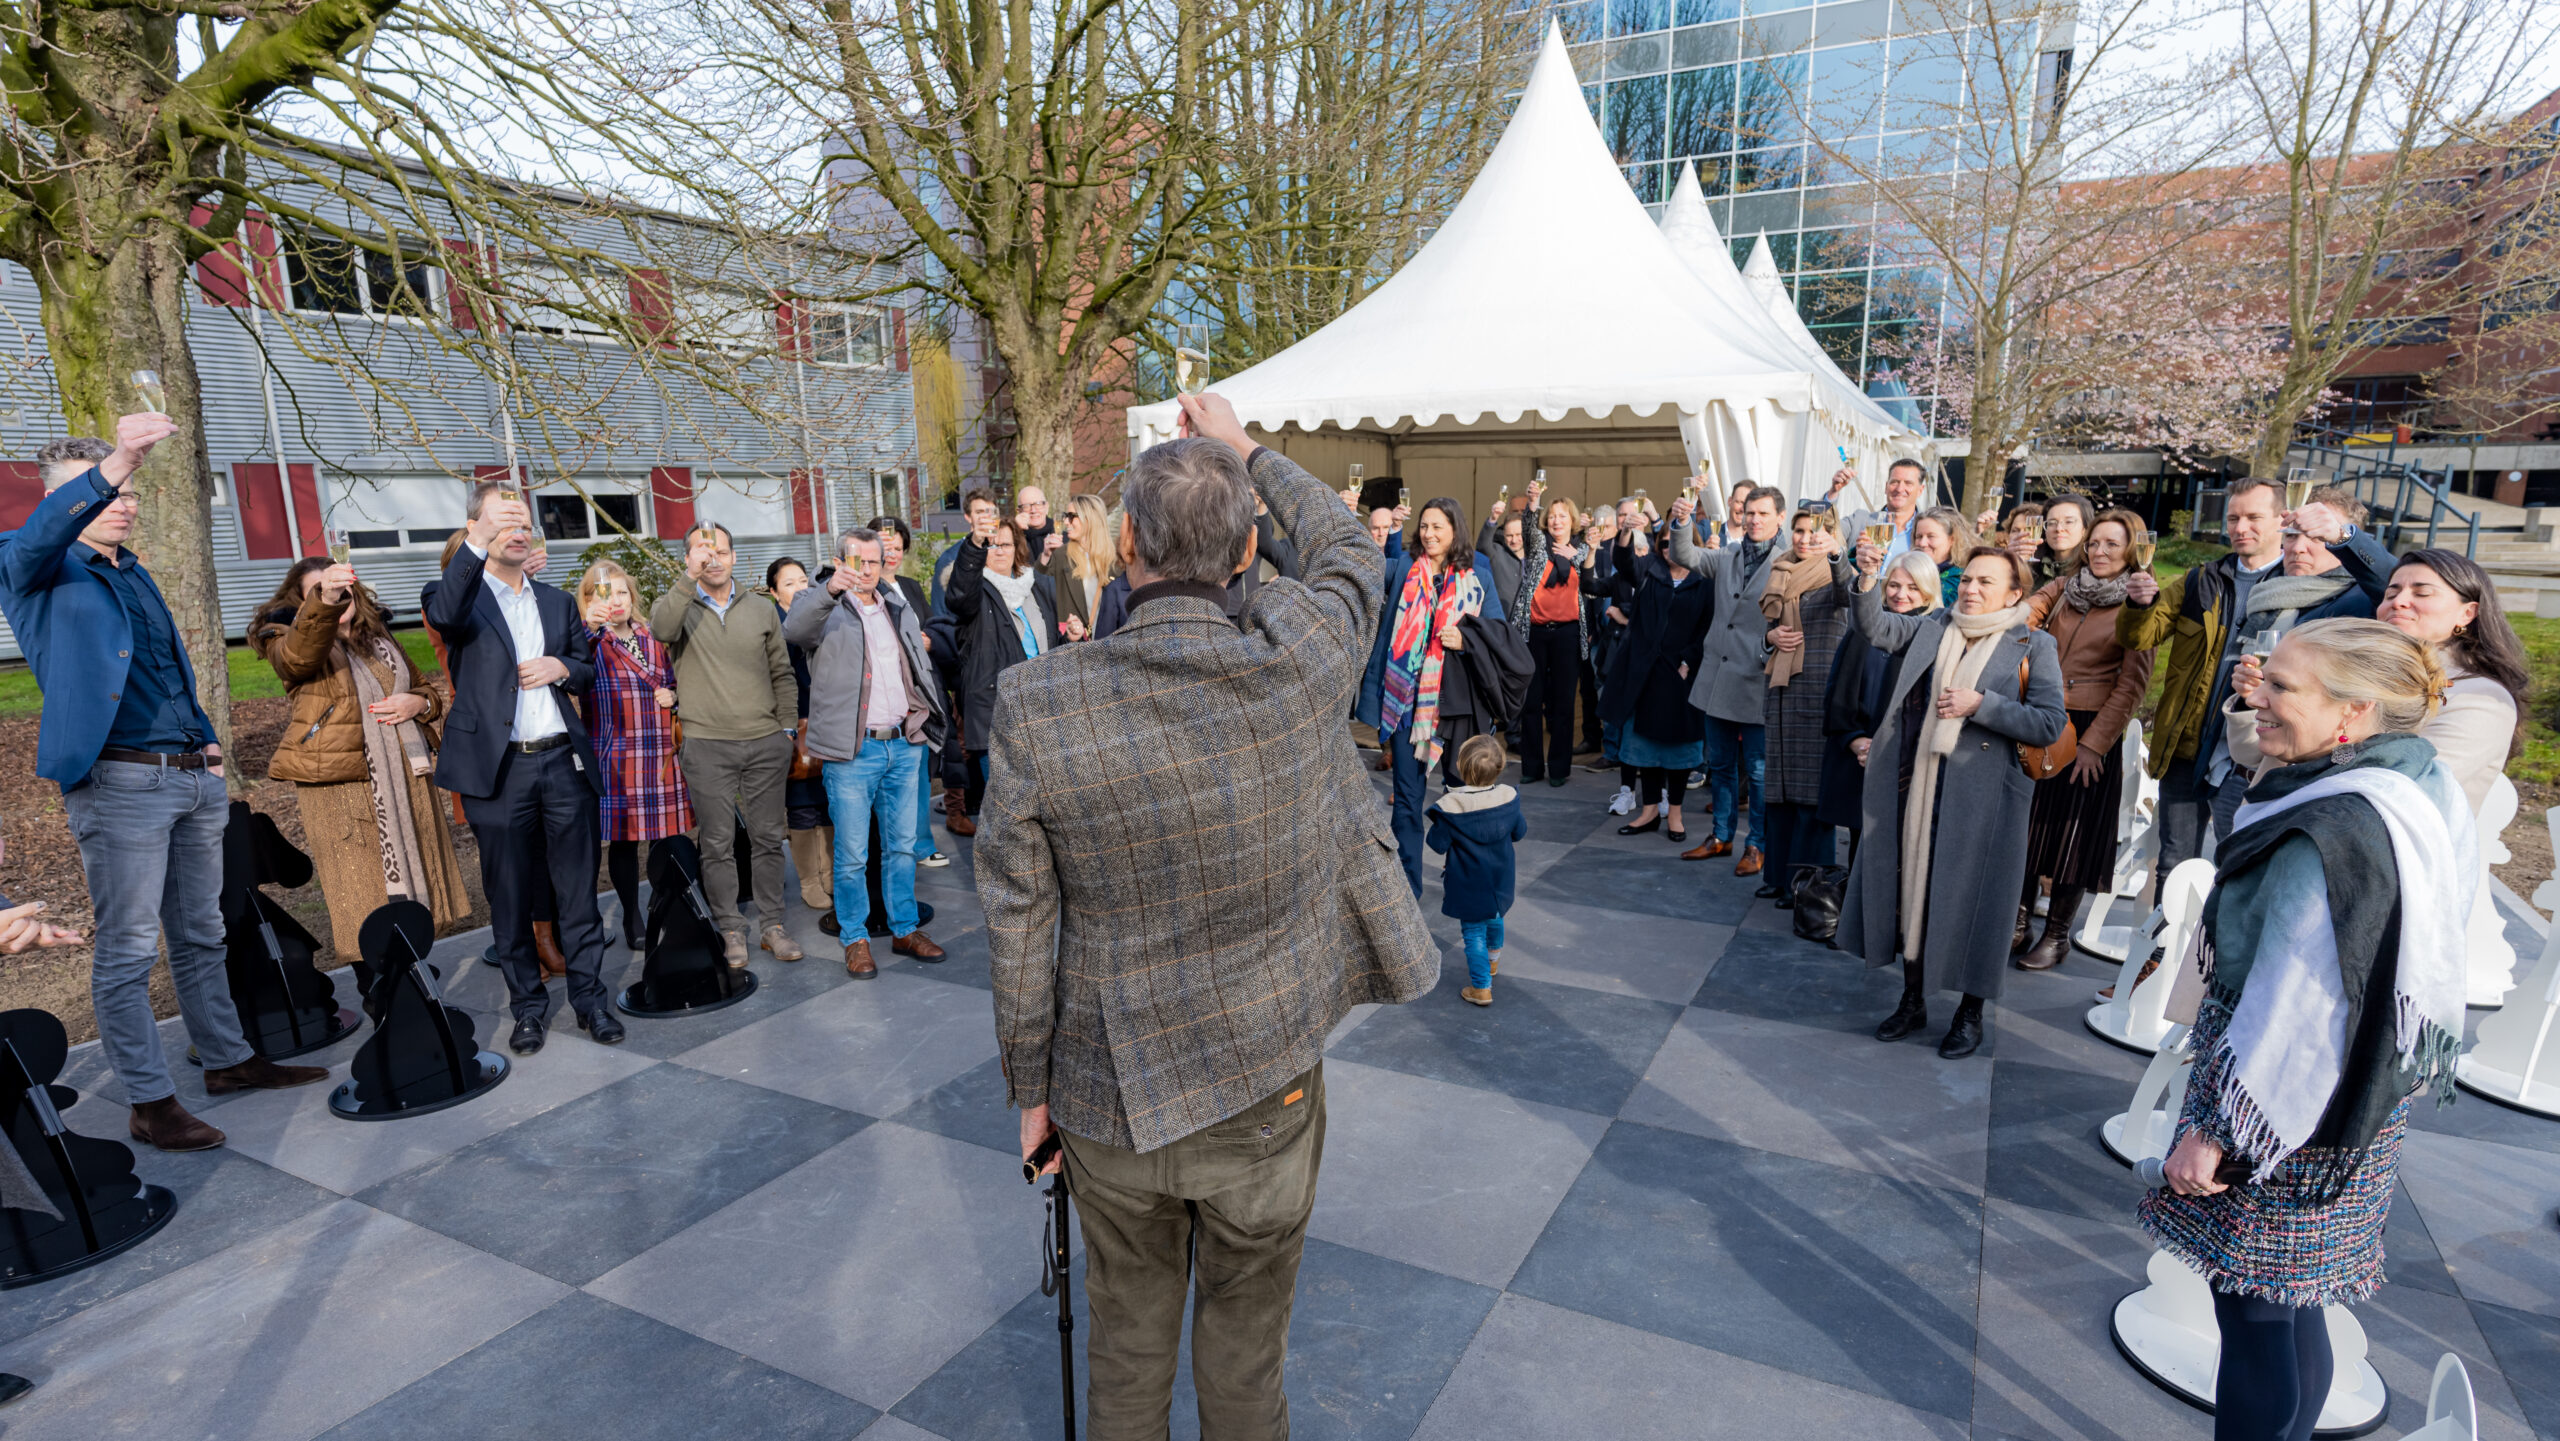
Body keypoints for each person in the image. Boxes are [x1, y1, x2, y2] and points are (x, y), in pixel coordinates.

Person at [991, 392, 1435, 1440]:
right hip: (1264, 1076)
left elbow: (1020, 928)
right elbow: (1344, 544)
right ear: (1245, 555)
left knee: (1127, 1355)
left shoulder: (1038, 702)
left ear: (1125, 545)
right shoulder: (1300, 653)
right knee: (1246, 1362)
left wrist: (1029, 1094)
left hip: (1109, 1089)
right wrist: (1246, 450)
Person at [2141, 619, 2470, 1441]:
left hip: (2276, 1101)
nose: (2257, 694)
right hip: (2359, 1097)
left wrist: (2217, 1135)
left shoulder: (2325, 833)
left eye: (2284, 686)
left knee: (2252, 1317)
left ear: (2354, 712)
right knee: (2294, 1299)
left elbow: (2293, 1007)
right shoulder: (2416, 776)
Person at [0, 423, 328, 1150]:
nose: (122, 501)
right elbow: (39, 536)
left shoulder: (135, 571)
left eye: (128, 492)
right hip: (118, 781)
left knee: (203, 930)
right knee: (125, 948)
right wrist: (118, 459)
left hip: (189, 777)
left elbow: (170, 667)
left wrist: (208, 743)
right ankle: (150, 1101)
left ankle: (228, 1059)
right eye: (106, 490)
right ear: (62, 502)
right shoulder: (34, 567)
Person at [1842, 542, 2067, 1059]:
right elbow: (1875, 627)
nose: (1970, 589)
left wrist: (1982, 705)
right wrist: (1863, 579)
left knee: (1979, 903)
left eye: (1985, 582)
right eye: (1966, 579)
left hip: (1987, 800)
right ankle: (1913, 997)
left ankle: (1970, 1012)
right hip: (1915, 788)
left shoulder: (2034, 645)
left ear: (2015, 593)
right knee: (1914, 890)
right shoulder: (1933, 625)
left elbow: (2050, 723)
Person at [426, 481, 623, 1053]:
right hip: (499, 771)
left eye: (523, 522)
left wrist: (562, 664)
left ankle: (591, 1002)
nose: (518, 530)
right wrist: (477, 541)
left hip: (563, 763)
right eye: (502, 521)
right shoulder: (458, 599)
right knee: (509, 897)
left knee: (578, 893)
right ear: (476, 528)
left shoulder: (558, 602)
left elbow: (588, 671)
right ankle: (528, 1009)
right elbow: (443, 613)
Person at [252, 556, 470, 958]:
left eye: (340, 585)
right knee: (363, 901)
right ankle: (381, 995)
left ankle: (412, 981)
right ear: (303, 603)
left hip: (404, 782)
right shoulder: (289, 641)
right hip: (341, 790)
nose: (336, 592)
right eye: (320, 588)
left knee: (415, 894)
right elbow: (299, 656)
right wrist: (325, 602)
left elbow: (428, 692)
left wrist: (416, 704)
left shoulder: (379, 637)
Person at [787, 528, 947, 978]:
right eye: (856, 562)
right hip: (853, 752)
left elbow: (917, 666)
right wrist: (831, 588)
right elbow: (794, 630)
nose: (866, 570)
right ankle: (855, 938)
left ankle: (903, 928)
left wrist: (923, 715)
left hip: (903, 743)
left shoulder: (896, 605)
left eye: (873, 562)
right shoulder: (822, 606)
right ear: (839, 562)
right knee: (853, 854)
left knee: (901, 847)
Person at [650, 521, 803, 968]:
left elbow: (782, 672)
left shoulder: (760, 608)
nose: (712, 558)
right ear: (689, 559)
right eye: (702, 550)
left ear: (735, 557)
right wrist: (688, 579)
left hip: (764, 744)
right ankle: (731, 930)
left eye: (720, 551)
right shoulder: (678, 605)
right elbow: (660, 629)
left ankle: (772, 925)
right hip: (707, 746)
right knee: (716, 844)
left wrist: (787, 729)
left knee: (769, 839)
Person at [2118, 478, 2287, 880]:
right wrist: (2138, 604)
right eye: (2233, 517)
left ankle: (2214, 945)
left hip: (2250, 753)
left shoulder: (2294, 588)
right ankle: (2164, 946)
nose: (2240, 527)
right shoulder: (2200, 580)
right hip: (2187, 745)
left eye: (2253, 517)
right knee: (2173, 865)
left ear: (2283, 519)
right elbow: (2138, 636)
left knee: (2238, 869)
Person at [2012, 510, 2155, 970]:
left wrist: (2095, 743)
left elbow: (2132, 684)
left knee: (2071, 835)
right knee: (2029, 824)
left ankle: (2056, 935)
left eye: (2112, 544)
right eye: (2094, 543)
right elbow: (2022, 619)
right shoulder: (2065, 588)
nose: (2099, 552)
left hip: (2093, 726)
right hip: (2045, 716)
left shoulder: (2138, 601)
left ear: (2132, 549)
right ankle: (2017, 921)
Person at [1357, 495, 1509, 894]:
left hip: (1460, 706)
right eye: (1423, 526)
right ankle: (1408, 886)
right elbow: (1361, 565)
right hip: (1407, 705)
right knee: (1407, 801)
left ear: (1454, 529)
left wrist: (1466, 638)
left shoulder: (1479, 573)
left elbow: (1498, 630)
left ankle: (1462, 872)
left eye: (1437, 526)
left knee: (1461, 795)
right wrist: (1349, 513)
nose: (1428, 534)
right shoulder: (1404, 567)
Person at [1667, 484, 1786, 874]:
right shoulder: (1729, 554)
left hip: (1757, 678)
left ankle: (1757, 845)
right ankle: (1720, 836)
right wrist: (1683, 520)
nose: (1754, 519)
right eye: (1750, 512)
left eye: (1763, 513)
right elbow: (1682, 553)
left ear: (1779, 518)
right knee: (1719, 765)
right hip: (1717, 679)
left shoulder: (1790, 561)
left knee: (1757, 772)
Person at [580, 559, 693, 951]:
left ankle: (668, 903)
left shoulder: (653, 636)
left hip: (662, 750)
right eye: (606, 593)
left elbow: (680, 680)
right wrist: (590, 627)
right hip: (617, 753)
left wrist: (675, 696)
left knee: (667, 837)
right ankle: (631, 916)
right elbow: (568, 672)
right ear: (591, 599)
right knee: (624, 842)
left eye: (623, 592)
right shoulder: (587, 641)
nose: (617, 601)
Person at [1751, 507, 1856, 903]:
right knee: (1777, 796)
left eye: (1814, 531)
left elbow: (1852, 592)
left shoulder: (1834, 576)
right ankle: (1777, 877)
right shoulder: (1779, 571)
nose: (1804, 537)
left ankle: (1807, 885)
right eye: (1798, 530)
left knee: (1811, 800)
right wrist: (1769, 640)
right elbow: (1765, 636)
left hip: (1816, 697)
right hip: (1779, 696)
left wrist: (1835, 557)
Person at [2370, 548, 2526, 812]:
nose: (2398, 602)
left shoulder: (2481, 699)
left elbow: (2406, 786)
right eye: (2391, 594)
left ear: (2467, 613)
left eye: (2422, 593)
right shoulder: (2362, 673)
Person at [1599, 509, 1713, 841]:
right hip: (1645, 674)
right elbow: (1622, 559)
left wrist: (1688, 662)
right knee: (1645, 748)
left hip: (1681, 675)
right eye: (1663, 543)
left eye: (1674, 543)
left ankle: (1674, 815)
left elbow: (1708, 628)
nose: (1667, 549)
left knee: (1678, 750)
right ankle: (1648, 812)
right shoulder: (1650, 571)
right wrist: (1625, 531)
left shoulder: (1704, 581)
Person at [949, 517, 1072, 820]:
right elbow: (959, 596)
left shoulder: (1037, 585)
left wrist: (1071, 635)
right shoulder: (975, 591)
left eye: (1005, 544)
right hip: (997, 715)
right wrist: (974, 546)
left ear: (1017, 547)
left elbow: (1050, 641)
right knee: (1009, 811)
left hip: (1042, 711)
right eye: (991, 545)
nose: (999, 551)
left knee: (1047, 807)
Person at [1819, 551, 1940, 858]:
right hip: (1858, 754)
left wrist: (1886, 749)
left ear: (1929, 590)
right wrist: (1854, 740)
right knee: (1860, 846)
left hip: (1905, 762)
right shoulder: (1864, 628)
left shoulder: (1936, 636)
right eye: (1895, 585)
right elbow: (1839, 691)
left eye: (1913, 588)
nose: (1901, 594)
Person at [872, 517, 951, 870]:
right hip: (886, 694)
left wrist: (930, 641)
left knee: (919, 772)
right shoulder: (865, 589)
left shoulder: (910, 586)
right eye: (884, 547)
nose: (892, 554)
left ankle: (921, 843)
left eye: (898, 548)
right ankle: (897, 847)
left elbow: (931, 622)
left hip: (921, 693)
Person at [1427, 735, 1526, 1007]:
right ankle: (1492, 964)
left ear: (1461, 768)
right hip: (1500, 877)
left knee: (1473, 933)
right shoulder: (1507, 800)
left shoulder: (1453, 808)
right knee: (1495, 919)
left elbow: (1437, 844)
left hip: (1468, 881)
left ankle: (1481, 987)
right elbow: (1520, 832)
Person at [763, 557, 835, 919]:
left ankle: (830, 875)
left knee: (828, 801)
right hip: (792, 725)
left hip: (827, 722)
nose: (801, 588)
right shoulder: (771, 625)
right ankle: (810, 881)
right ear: (774, 591)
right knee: (802, 804)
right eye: (789, 583)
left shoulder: (822, 618)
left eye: (804, 580)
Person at [930, 489, 1001, 838]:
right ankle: (957, 809)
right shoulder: (951, 558)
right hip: (965, 668)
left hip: (998, 668)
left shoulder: (1004, 550)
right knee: (961, 745)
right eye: (980, 511)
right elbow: (944, 619)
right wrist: (959, 669)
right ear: (968, 518)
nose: (986, 516)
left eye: (991, 509)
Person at [1513, 486, 1589, 787]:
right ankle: (1532, 766)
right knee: (1531, 702)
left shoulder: (1582, 550)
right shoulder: (1538, 545)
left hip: (1567, 634)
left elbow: (1593, 579)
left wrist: (1578, 558)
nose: (1557, 521)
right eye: (1552, 516)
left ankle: (1559, 768)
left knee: (1563, 704)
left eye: (1562, 516)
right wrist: (1533, 502)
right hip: (1535, 632)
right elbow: (1529, 525)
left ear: (1572, 521)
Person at [1046, 492, 1115, 639]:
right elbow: (1040, 590)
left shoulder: (1115, 559)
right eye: (1066, 515)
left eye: (1071, 516)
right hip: (1073, 646)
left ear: (1089, 518)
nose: (1065, 522)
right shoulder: (1061, 555)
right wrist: (1045, 557)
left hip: (1109, 644)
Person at [1841, 458, 1930, 560]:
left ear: (1920, 490)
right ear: (1886, 487)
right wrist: (1833, 492)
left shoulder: (1927, 531)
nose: (1900, 489)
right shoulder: (1859, 519)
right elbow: (1826, 531)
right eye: (1895, 482)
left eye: (1908, 483)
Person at [1912, 506, 1977, 608]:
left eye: (1931, 536)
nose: (1922, 543)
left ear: (1952, 539)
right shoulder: (1908, 571)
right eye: (1919, 536)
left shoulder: (1962, 580)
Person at [1014, 484, 1055, 561]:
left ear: (1046, 507)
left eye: (1038, 504)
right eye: (1026, 506)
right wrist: (1015, 530)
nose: (1033, 510)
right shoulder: (1013, 538)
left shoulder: (1062, 537)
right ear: (1019, 511)